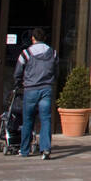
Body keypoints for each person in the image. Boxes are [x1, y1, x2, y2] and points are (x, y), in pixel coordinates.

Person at [13, 27, 57, 160]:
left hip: (31, 89)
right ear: (44, 38)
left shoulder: (26, 53)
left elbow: (18, 72)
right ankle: (46, 149)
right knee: (46, 119)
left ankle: (24, 150)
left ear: (33, 38)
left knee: (27, 120)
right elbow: (56, 70)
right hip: (46, 88)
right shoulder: (53, 53)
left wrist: (18, 83)